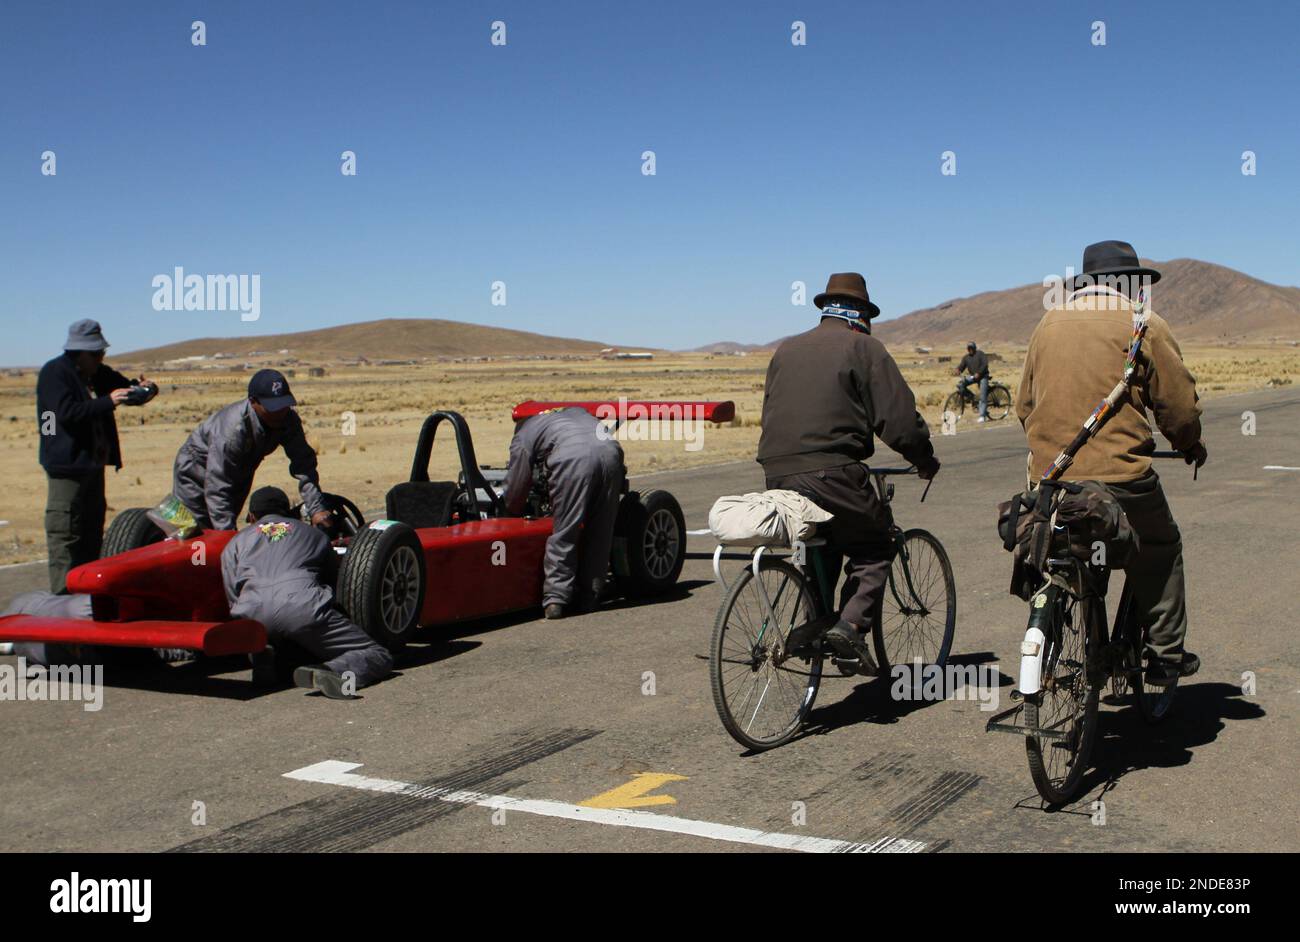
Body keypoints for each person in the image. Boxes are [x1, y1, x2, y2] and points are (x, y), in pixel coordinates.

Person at [1016, 240, 1206, 686]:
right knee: (1160, 550)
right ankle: (1165, 654)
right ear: (1133, 284)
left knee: (1069, 548)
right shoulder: (1144, 323)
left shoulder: (1048, 323)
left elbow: (1025, 404)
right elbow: (1178, 408)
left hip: (1052, 480)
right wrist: (1188, 444)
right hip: (1122, 479)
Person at [758, 272, 939, 673]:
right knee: (876, 543)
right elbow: (899, 421)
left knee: (824, 539)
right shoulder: (864, 347)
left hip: (778, 471)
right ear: (862, 314)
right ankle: (850, 625)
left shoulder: (786, 349)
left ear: (826, 309)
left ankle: (819, 620)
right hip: (832, 471)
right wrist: (923, 459)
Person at [220, 486, 392, 699]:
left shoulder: (234, 543)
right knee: (378, 654)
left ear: (252, 516)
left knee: (273, 631)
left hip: (253, 618)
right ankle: (333, 671)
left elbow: (232, 595)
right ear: (289, 512)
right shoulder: (313, 534)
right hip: (302, 610)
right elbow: (337, 584)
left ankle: (266, 659)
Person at [36, 319, 158, 593]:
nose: (101, 358)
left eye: (102, 353)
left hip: (92, 466)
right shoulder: (54, 373)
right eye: (96, 354)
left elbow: (125, 389)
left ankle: (87, 597)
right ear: (80, 352)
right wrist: (107, 402)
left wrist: (145, 390)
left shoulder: (95, 373)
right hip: (66, 468)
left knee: (92, 533)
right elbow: (64, 414)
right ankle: (62, 602)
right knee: (66, 535)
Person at [502, 407, 626, 620]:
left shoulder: (525, 432)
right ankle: (591, 594)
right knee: (601, 531)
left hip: (575, 459)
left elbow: (517, 482)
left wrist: (509, 510)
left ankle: (556, 599)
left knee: (565, 530)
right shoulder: (576, 413)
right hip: (611, 453)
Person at [172, 369, 331, 531]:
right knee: (195, 529)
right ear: (253, 402)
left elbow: (303, 464)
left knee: (228, 516)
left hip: (239, 470)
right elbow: (218, 488)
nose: (280, 413)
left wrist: (316, 508)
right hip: (196, 471)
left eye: (283, 405)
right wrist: (228, 539)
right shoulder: (232, 431)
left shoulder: (288, 419)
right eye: (272, 408)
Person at [955, 341, 991, 422]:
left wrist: (979, 373)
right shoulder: (966, 358)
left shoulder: (980, 354)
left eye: (972, 348)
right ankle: (973, 398)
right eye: (969, 348)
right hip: (973, 377)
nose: (970, 350)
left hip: (983, 376)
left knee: (983, 396)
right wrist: (958, 369)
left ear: (975, 348)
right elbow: (962, 366)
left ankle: (982, 415)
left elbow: (985, 364)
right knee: (961, 385)